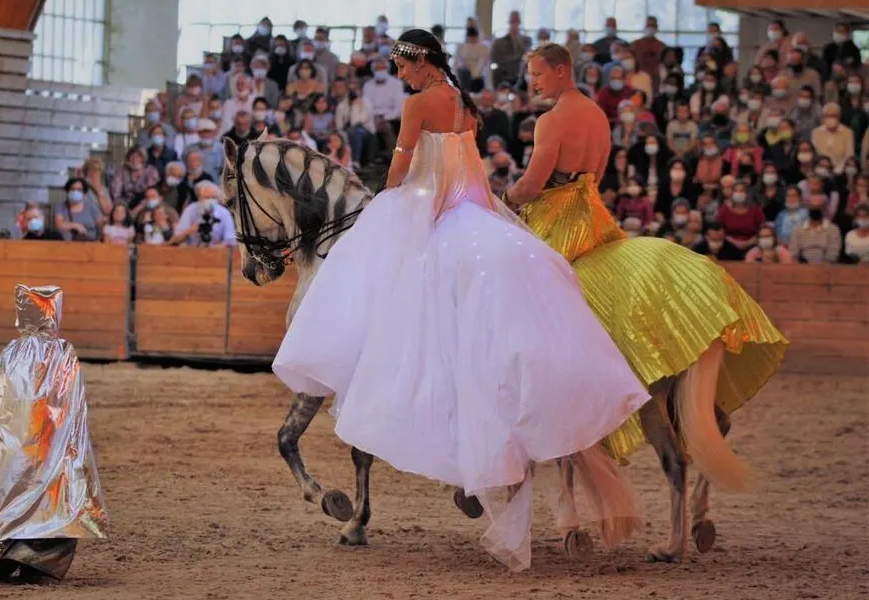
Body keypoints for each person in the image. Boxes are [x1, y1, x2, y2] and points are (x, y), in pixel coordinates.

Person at [271, 29, 649, 572]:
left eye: (402, 65)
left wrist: (385, 203)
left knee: (366, 283)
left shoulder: (418, 103)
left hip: (433, 207)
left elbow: (402, 170)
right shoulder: (462, 101)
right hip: (472, 208)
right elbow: (468, 172)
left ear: (419, 61)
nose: (399, 74)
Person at [503, 43, 787, 471]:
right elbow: (596, 175)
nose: (533, 82)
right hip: (595, 218)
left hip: (558, 223)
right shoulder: (599, 116)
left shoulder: (550, 120)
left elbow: (531, 184)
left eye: (538, 74)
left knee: (518, 302)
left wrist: (502, 199)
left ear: (562, 71)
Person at [0, 285, 108, 583]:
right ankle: (30, 559)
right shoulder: (62, 352)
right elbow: (70, 404)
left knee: (11, 495)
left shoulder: (9, 353)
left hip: (12, 444)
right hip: (49, 443)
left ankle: (7, 552)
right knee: (58, 502)